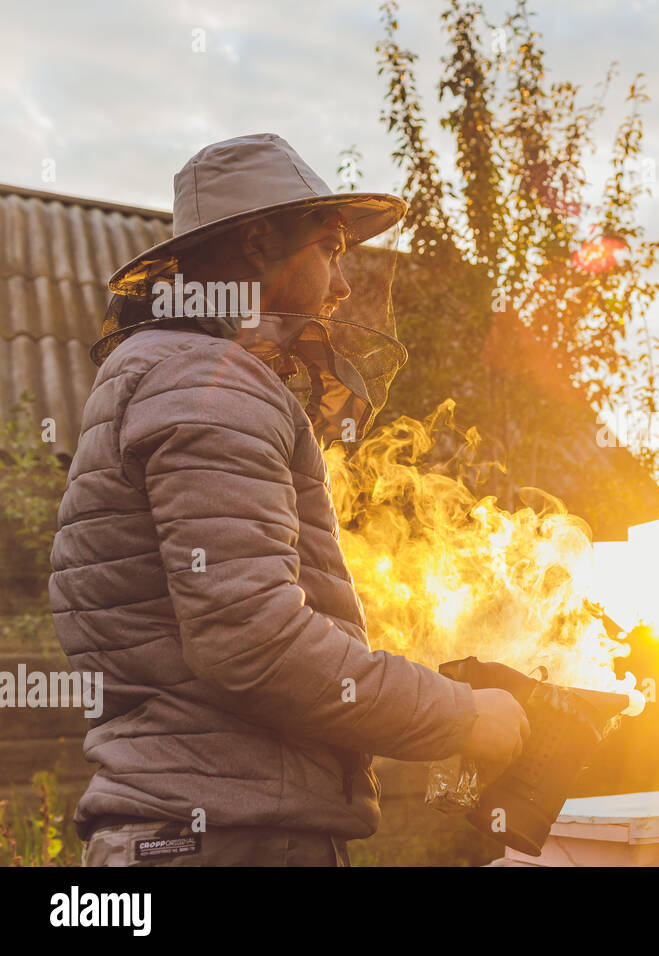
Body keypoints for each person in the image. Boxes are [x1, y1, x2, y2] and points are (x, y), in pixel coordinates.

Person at [50, 133, 529, 867]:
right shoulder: (206, 384)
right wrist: (466, 718)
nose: (341, 287)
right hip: (230, 844)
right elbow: (253, 641)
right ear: (257, 242)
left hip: (182, 836)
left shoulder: (159, 373)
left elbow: (235, 624)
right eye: (332, 248)